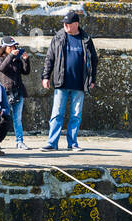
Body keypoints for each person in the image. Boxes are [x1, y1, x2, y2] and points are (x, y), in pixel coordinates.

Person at [41, 11, 97, 151]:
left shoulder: (86, 39)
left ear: (76, 24)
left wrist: (92, 79)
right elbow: (49, 58)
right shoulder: (58, 37)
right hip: (62, 82)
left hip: (80, 83)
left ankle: (72, 143)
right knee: (57, 114)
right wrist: (46, 76)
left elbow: (94, 60)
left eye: (68, 23)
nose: (65, 25)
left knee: (76, 115)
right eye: (64, 23)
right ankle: (52, 143)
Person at [0, 37, 31, 150]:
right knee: (1, 118)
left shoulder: (17, 59)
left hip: (18, 92)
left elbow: (26, 71)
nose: (12, 48)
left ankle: (19, 141)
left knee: (17, 119)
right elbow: (2, 68)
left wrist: (25, 60)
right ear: (4, 48)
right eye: (10, 46)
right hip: (5, 93)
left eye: (14, 46)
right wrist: (11, 56)